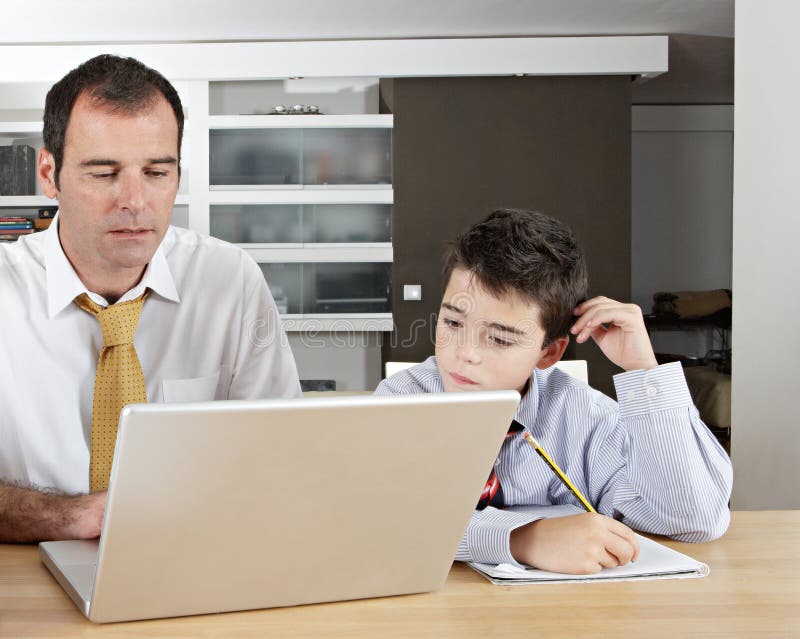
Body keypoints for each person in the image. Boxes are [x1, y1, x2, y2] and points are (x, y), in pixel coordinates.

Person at [0, 55, 301, 543]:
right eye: (104, 173)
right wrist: (68, 516)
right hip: (25, 576)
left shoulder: (231, 281)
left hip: (199, 557)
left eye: (157, 173)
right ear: (49, 173)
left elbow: (282, 460)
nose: (135, 202)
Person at [375, 208, 732, 575]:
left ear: (549, 353)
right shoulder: (402, 399)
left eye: (499, 339)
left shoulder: (587, 417)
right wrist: (522, 539)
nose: (465, 353)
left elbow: (694, 519)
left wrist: (643, 371)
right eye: (451, 322)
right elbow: (376, 517)